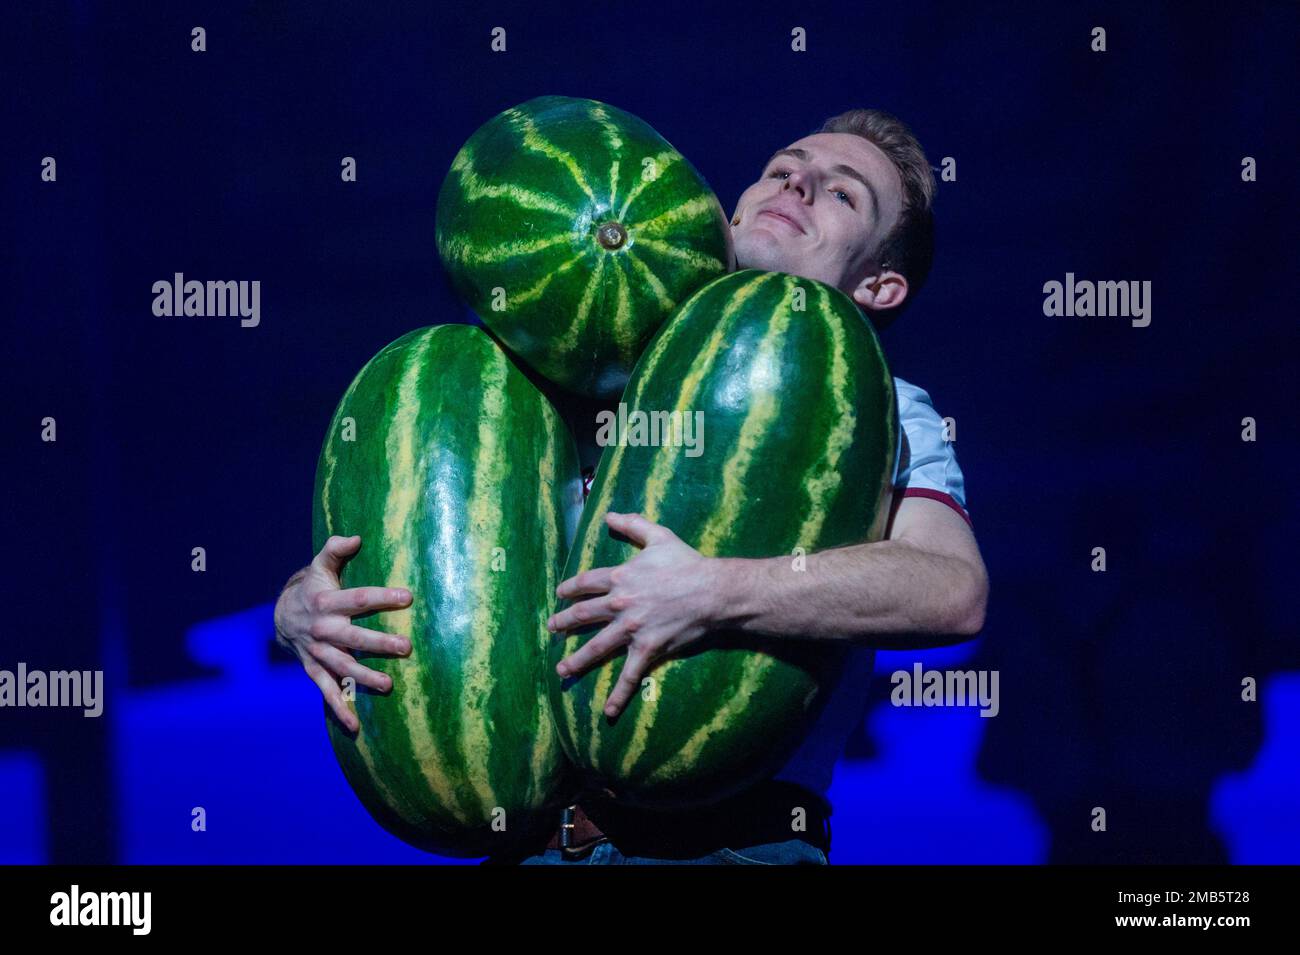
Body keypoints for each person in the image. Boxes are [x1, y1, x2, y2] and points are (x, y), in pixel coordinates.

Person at [274, 108, 988, 865]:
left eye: (843, 195)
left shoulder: (883, 406)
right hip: (522, 848)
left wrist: (715, 591)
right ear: (732, 207)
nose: (798, 184)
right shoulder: (547, 380)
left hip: (728, 848)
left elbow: (951, 590)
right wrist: (300, 607)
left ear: (879, 285)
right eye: (783, 168)